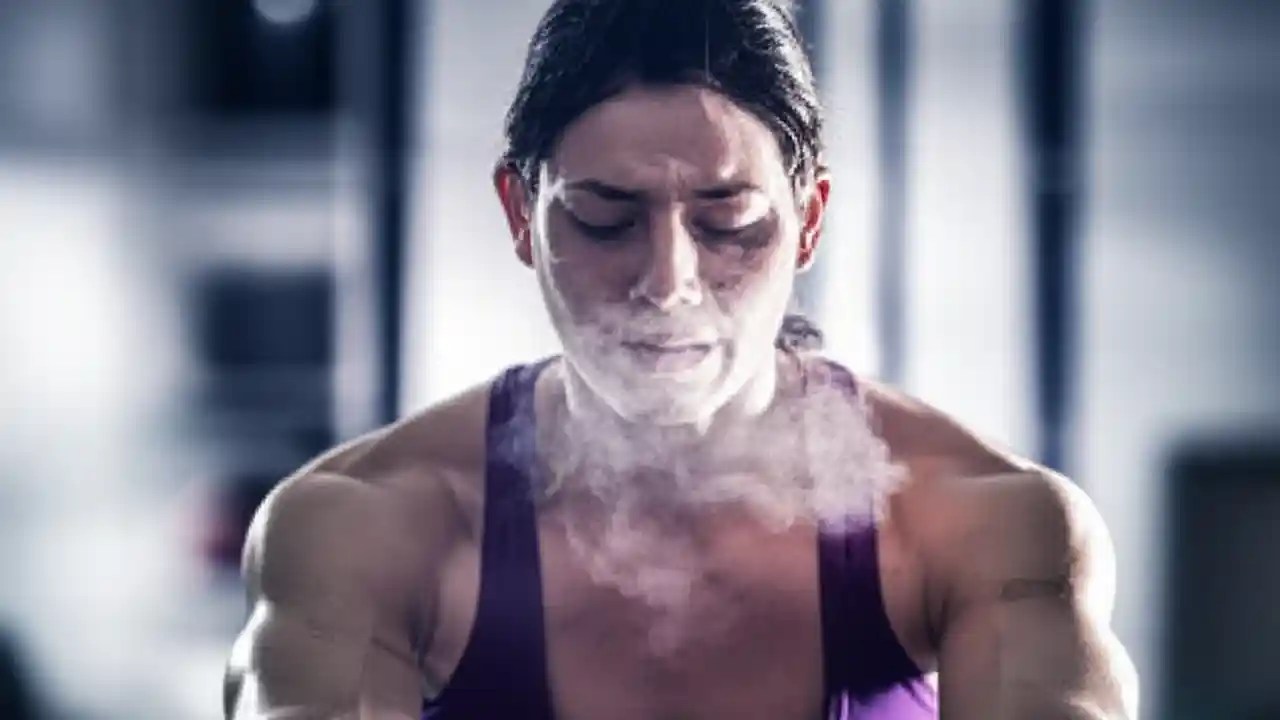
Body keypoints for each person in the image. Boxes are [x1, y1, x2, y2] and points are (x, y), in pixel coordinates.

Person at [224, 0, 1139, 717]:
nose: (667, 283)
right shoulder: (368, 529)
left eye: (729, 223)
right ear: (519, 216)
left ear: (809, 221)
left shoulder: (983, 525)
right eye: (604, 220)